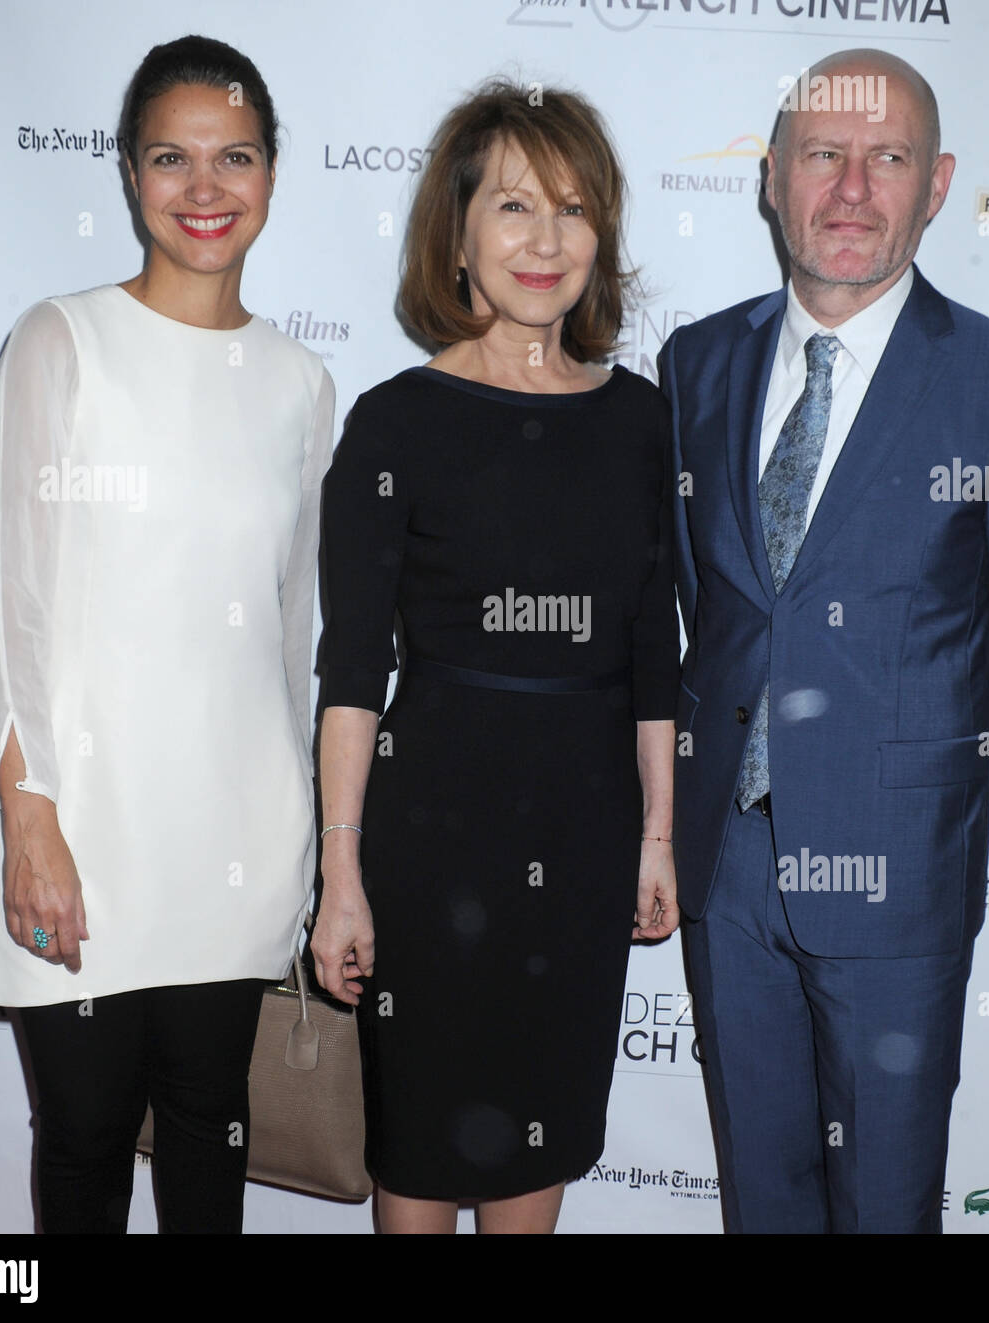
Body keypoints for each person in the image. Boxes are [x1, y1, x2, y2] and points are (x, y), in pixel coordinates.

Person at [659, 48, 989, 1233]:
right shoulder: (697, 363)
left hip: (897, 879)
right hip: (727, 870)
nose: (852, 189)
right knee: (763, 1198)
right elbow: (706, 600)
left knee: (886, 1206)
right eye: (823, 156)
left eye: (887, 158)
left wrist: (917, 792)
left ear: (937, 183)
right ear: (771, 177)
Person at [0, 35, 335, 1234]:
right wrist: (31, 819)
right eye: (173, 158)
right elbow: (8, 604)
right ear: (128, 174)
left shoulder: (302, 383)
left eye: (235, 158)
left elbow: (289, 629)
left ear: (272, 175)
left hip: (235, 831)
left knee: (212, 1129)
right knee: (90, 1136)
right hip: (83, 823)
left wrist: (303, 839)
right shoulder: (62, 342)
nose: (204, 189)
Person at [312, 79, 680, 1234]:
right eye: (515, 206)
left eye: (573, 210)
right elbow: (350, 671)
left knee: (542, 1134)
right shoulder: (394, 420)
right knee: (416, 1158)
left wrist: (656, 839)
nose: (546, 239)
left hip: (582, 838)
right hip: (432, 834)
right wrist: (341, 875)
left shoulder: (641, 421)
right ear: (457, 231)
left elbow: (653, 654)